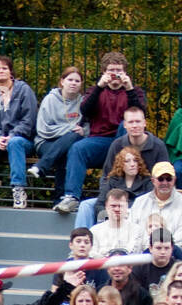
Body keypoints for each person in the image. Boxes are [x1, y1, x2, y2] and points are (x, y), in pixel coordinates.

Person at [55, 52, 146, 214]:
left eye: (119, 70)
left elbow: (139, 113)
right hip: (100, 141)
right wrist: (99, 87)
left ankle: (117, 195)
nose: (115, 75)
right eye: (111, 70)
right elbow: (85, 110)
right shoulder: (95, 91)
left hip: (126, 144)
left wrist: (129, 88)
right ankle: (71, 197)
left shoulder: (134, 91)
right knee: (78, 148)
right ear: (104, 72)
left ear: (125, 73)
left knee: (123, 125)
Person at [0, 55, 37, 210]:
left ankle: (18, 190)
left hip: (22, 140)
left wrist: (11, 136)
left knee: (15, 142)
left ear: (11, 72)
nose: (1, 71)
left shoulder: (23, 90)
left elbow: (28, 120)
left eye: (4, 68)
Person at [32, 66, 88, 207]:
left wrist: (81, 132)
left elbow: (87, 127)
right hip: (46, 142)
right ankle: (59, 198)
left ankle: (42, 167)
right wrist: (69, 129)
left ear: (81, 84)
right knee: (70, 139)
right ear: (62, 81)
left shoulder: (83, 102)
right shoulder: (50, 99)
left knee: (70, 146)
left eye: (77, 80)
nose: (73, 83)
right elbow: (43, 129)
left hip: (67, 145)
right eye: (70, 79)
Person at [129, 162, 182, 250]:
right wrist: (151, 248)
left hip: (173, 253)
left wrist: (164, 248)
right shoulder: (140, 202)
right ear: (153, 180)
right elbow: (133, 230)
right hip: (142, 252)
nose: (165, 182)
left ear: (174, 180)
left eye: (169, 179)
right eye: (161, 179)